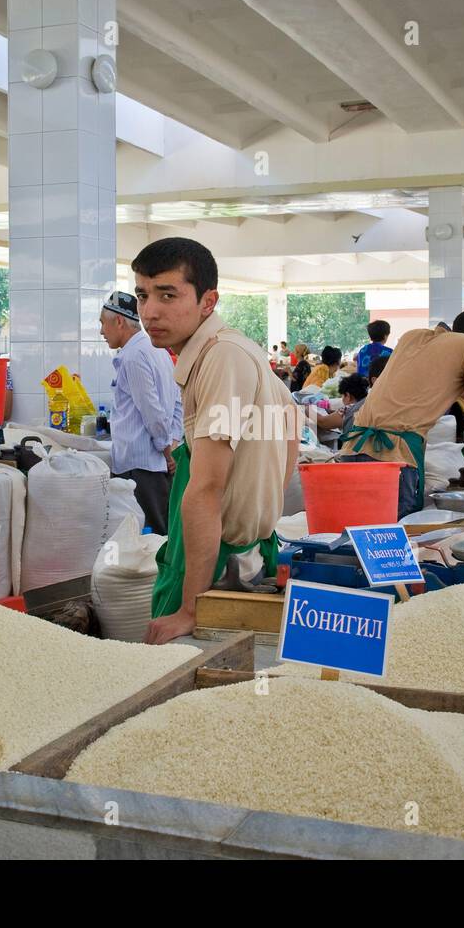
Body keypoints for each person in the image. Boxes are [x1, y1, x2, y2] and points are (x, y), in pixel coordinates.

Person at [133, 237, 297, 645]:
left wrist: (193, 607)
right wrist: (260, 503)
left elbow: (206, 487)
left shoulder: (222, 357)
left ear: (208, 301)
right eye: (143, 295)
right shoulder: (230, 349)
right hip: (232, 552)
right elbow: (291, 425)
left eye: (168, 295)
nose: (150, 311)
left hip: (216, 566)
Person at [338, 308, 464, 519]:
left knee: (360, 537)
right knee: (394, 541)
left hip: (352, 452)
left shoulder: (412, 337)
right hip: (394, 461)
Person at [100, 290, 181, 535]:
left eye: (103, 323)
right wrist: (173, 444)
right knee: (159, 535)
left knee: (145, 540)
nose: (101, 331)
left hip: (140, 467)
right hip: (155, 464)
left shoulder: (134, 356)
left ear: (119, 322)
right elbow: (178, 402)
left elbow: (151, 411)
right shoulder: (159, 350)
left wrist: (167, 449)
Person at [314, 373, 370, 443]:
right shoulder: (367, 404)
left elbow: (323, 422)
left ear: (348, 395)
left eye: (343, 395)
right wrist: (331, 412)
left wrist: (308, 409)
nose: (342, 398)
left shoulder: (348, 409)